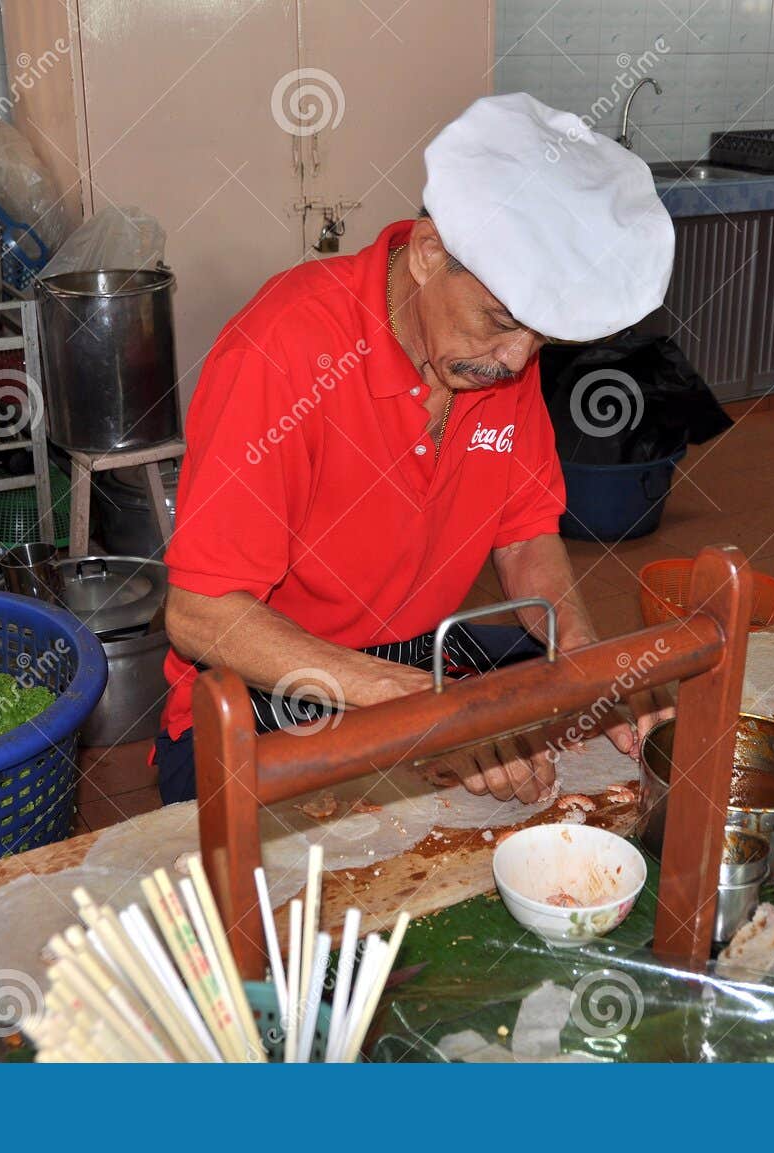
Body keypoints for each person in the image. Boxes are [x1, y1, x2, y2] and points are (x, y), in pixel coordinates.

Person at [155, 93, 675, 806]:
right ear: (430, 254)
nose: (519, 360)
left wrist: (583, 657)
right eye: (501, 321)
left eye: (542, 339)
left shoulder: (487, 359)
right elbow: (200, 612)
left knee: (552, 717)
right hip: (261, 688)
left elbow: (524, 535)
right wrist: (427, 711)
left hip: (411, 660)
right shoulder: (284, 349)